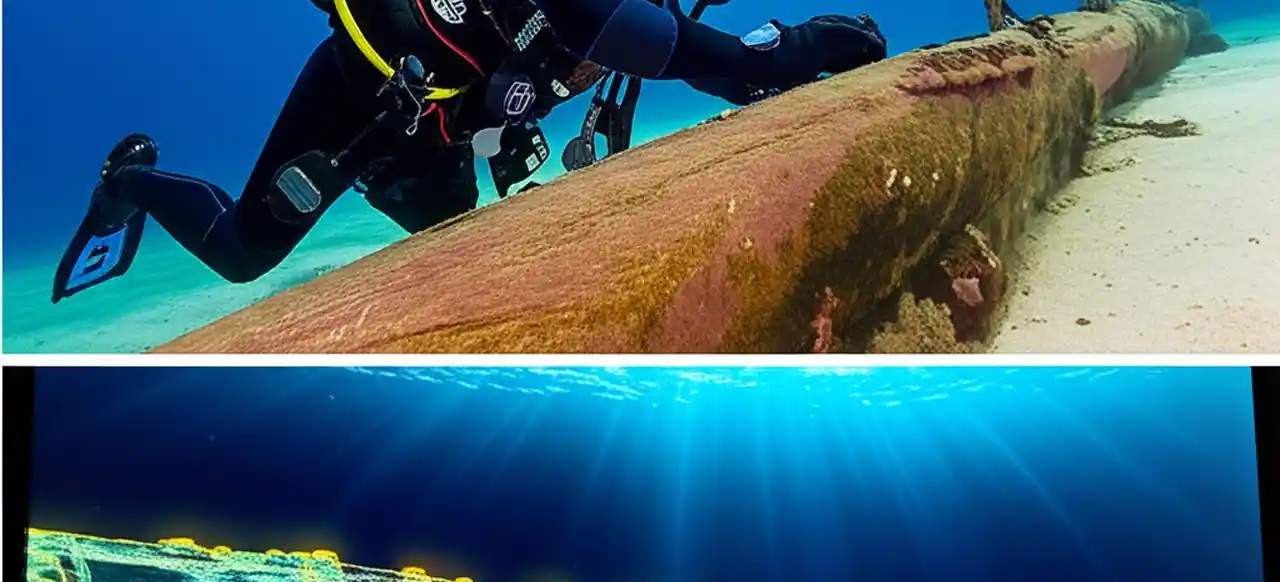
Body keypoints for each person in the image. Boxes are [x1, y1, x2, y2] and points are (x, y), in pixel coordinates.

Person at [53, 0, 887, 302]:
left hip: (441, 126)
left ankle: (393, 177)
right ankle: (128, 179)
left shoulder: (610, 17)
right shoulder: (587, 14)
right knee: (243, 254)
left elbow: (699, 57)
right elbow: (694, 54)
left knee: (451, 221)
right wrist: (784, 55)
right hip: (359, 97)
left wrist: (788, 65)